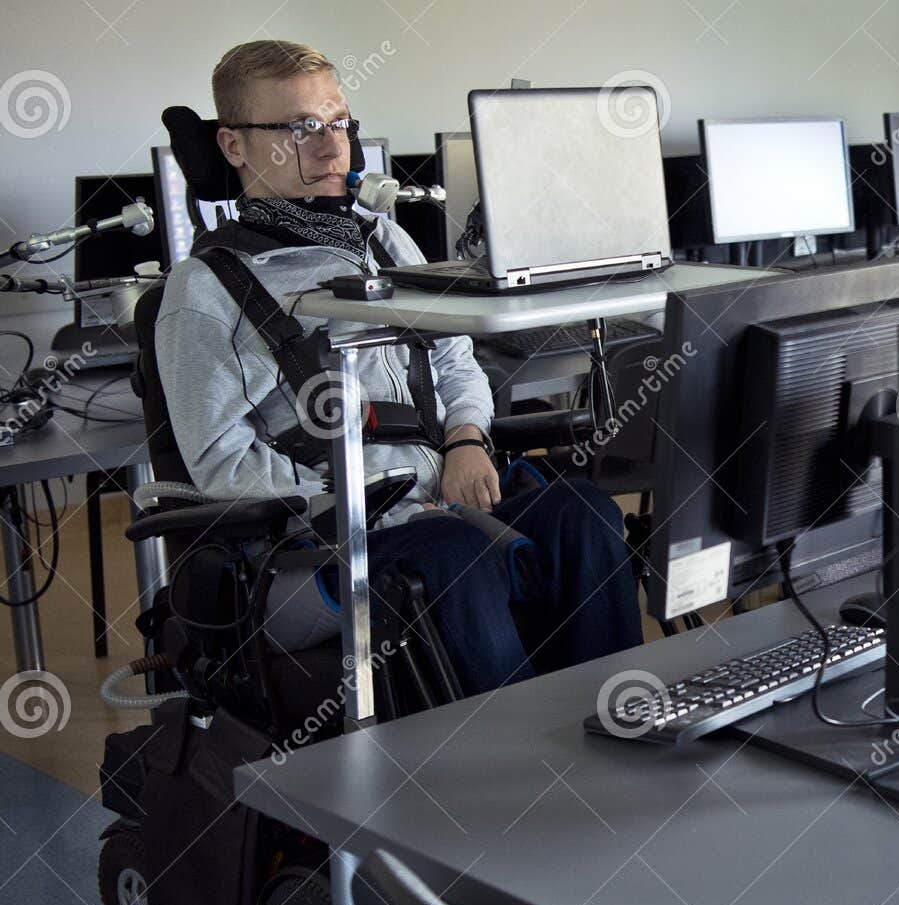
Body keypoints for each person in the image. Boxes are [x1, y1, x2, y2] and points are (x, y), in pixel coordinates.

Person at [153, 39, 641, 691]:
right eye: (300, 128)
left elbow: (455, 358)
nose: (332, 148)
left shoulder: (384, 242)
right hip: (306, 550)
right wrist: (364, 499)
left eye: (337, 123)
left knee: (580, 513)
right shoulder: (205, 288)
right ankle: (515, 767)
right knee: (453, 553)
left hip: (435, 505)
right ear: (234, 146)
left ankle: (611, 721)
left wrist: (466, 439)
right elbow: (220, 465)